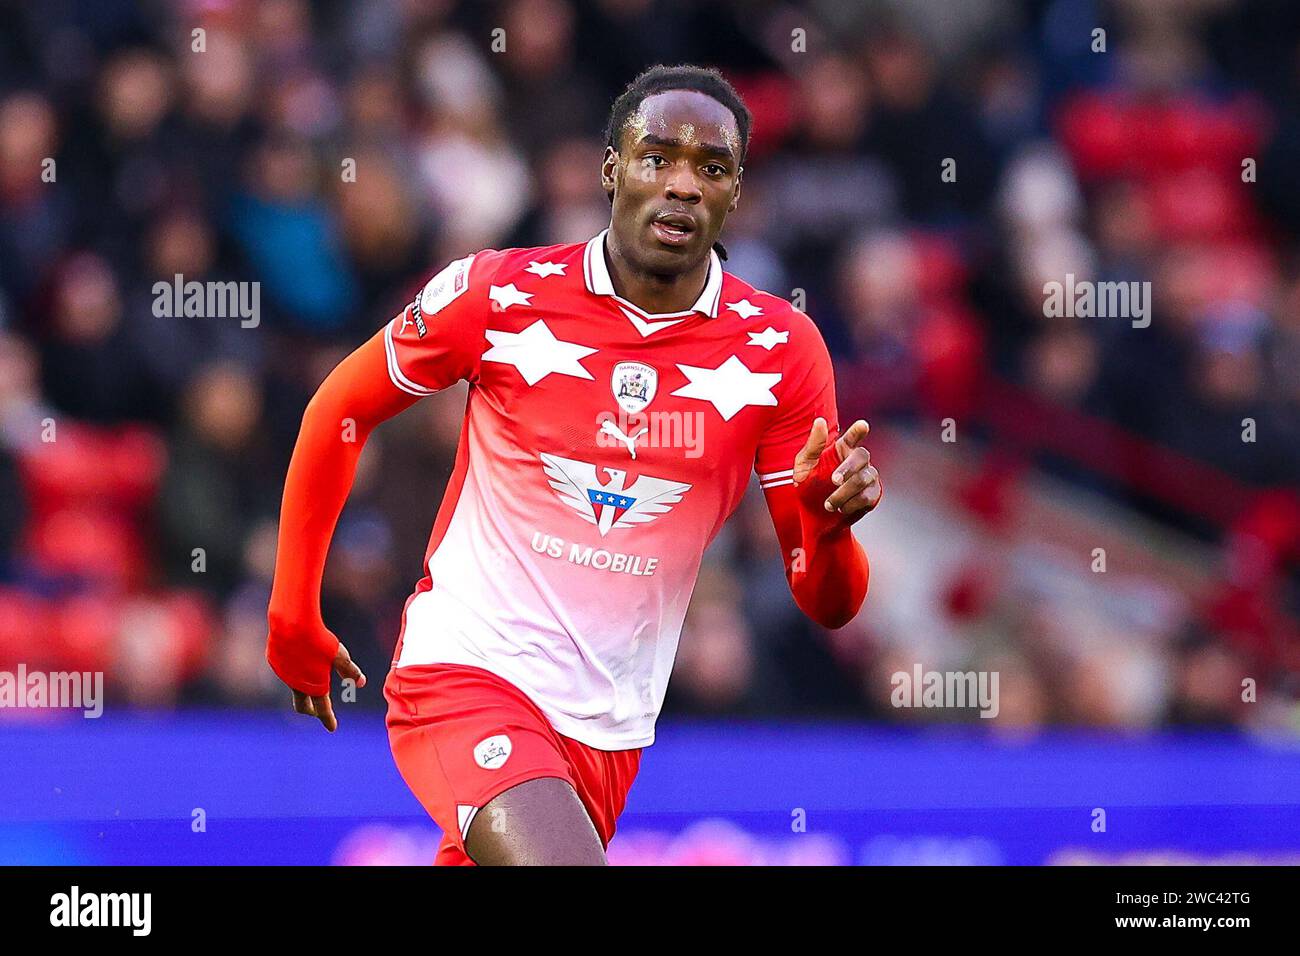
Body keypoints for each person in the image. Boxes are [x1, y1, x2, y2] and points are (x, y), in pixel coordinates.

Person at [265, 64, 882, 865]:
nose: (685, 184)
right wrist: (291, 612)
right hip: (466, 673)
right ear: (611, 169)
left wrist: (829, 529)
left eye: (713, 167)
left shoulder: (781, 353)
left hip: (608, 731)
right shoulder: (496, 293)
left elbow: (828, 602)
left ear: (737, 193)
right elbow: (337, 411)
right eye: (658, 156)